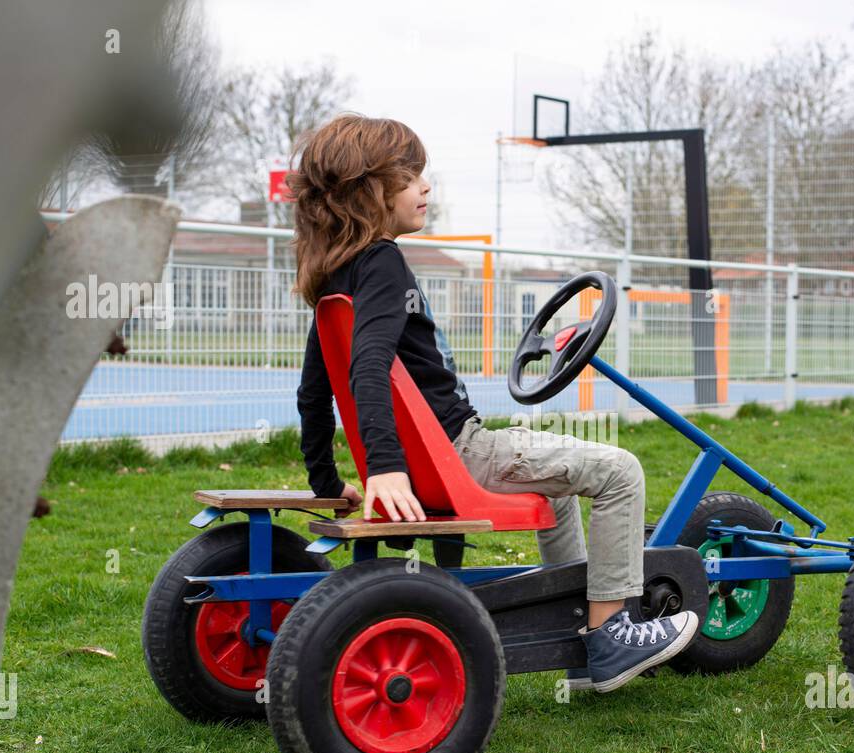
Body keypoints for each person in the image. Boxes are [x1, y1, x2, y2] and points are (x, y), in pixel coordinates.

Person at [288, 113, 697, 693]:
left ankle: (575, 620)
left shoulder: (336, 277)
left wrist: (328, 482)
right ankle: (610, 638)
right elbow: (367, 368)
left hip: (434, 463)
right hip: (459, 456)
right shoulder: (381, 261)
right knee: (620, 472)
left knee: (556, 489)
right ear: (369, 192)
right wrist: (384, 469)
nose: (425, 187)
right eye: (409, 177)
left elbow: (312, 392)